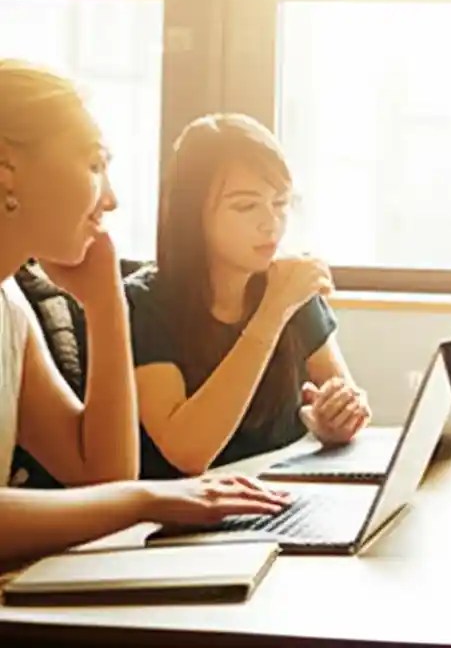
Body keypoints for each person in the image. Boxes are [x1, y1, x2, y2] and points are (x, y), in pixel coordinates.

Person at [0, 60, 287, 566]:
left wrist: (106, 301)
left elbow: (102, 479)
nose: (109, 199)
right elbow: (121, 495)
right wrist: (151, 498)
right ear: (6, 172)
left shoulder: (10, 307)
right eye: (94, 165)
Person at [127, 113, 371, 479]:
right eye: (246, 205)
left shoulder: (290, 285)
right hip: (182, 516)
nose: (270, 223)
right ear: (192, 214)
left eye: (280, 203)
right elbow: (188, 453)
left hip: (279, 495)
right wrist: (273, 311)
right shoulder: (143, 303)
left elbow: (344, 397)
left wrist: (337, 419)